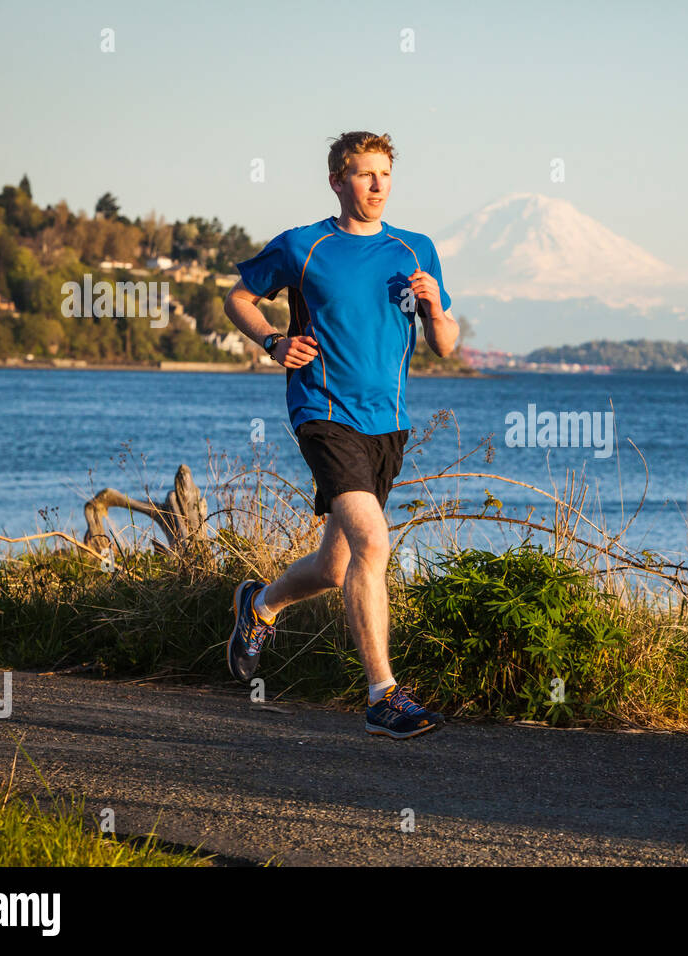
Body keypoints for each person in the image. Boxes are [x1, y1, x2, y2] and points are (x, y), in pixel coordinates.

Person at [221, 130, 459, 740]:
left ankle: (261, 605)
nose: (377, 186)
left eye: (384, 174)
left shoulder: (415, 248)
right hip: (323, 413)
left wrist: (435, 309)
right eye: (363, 174)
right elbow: (239, 297)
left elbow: (447, 344)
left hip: (388, 423)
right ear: (337, 180)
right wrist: (273, 340)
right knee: (374, 546)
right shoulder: (304, 245)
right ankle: (383, 695)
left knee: (336, 566)